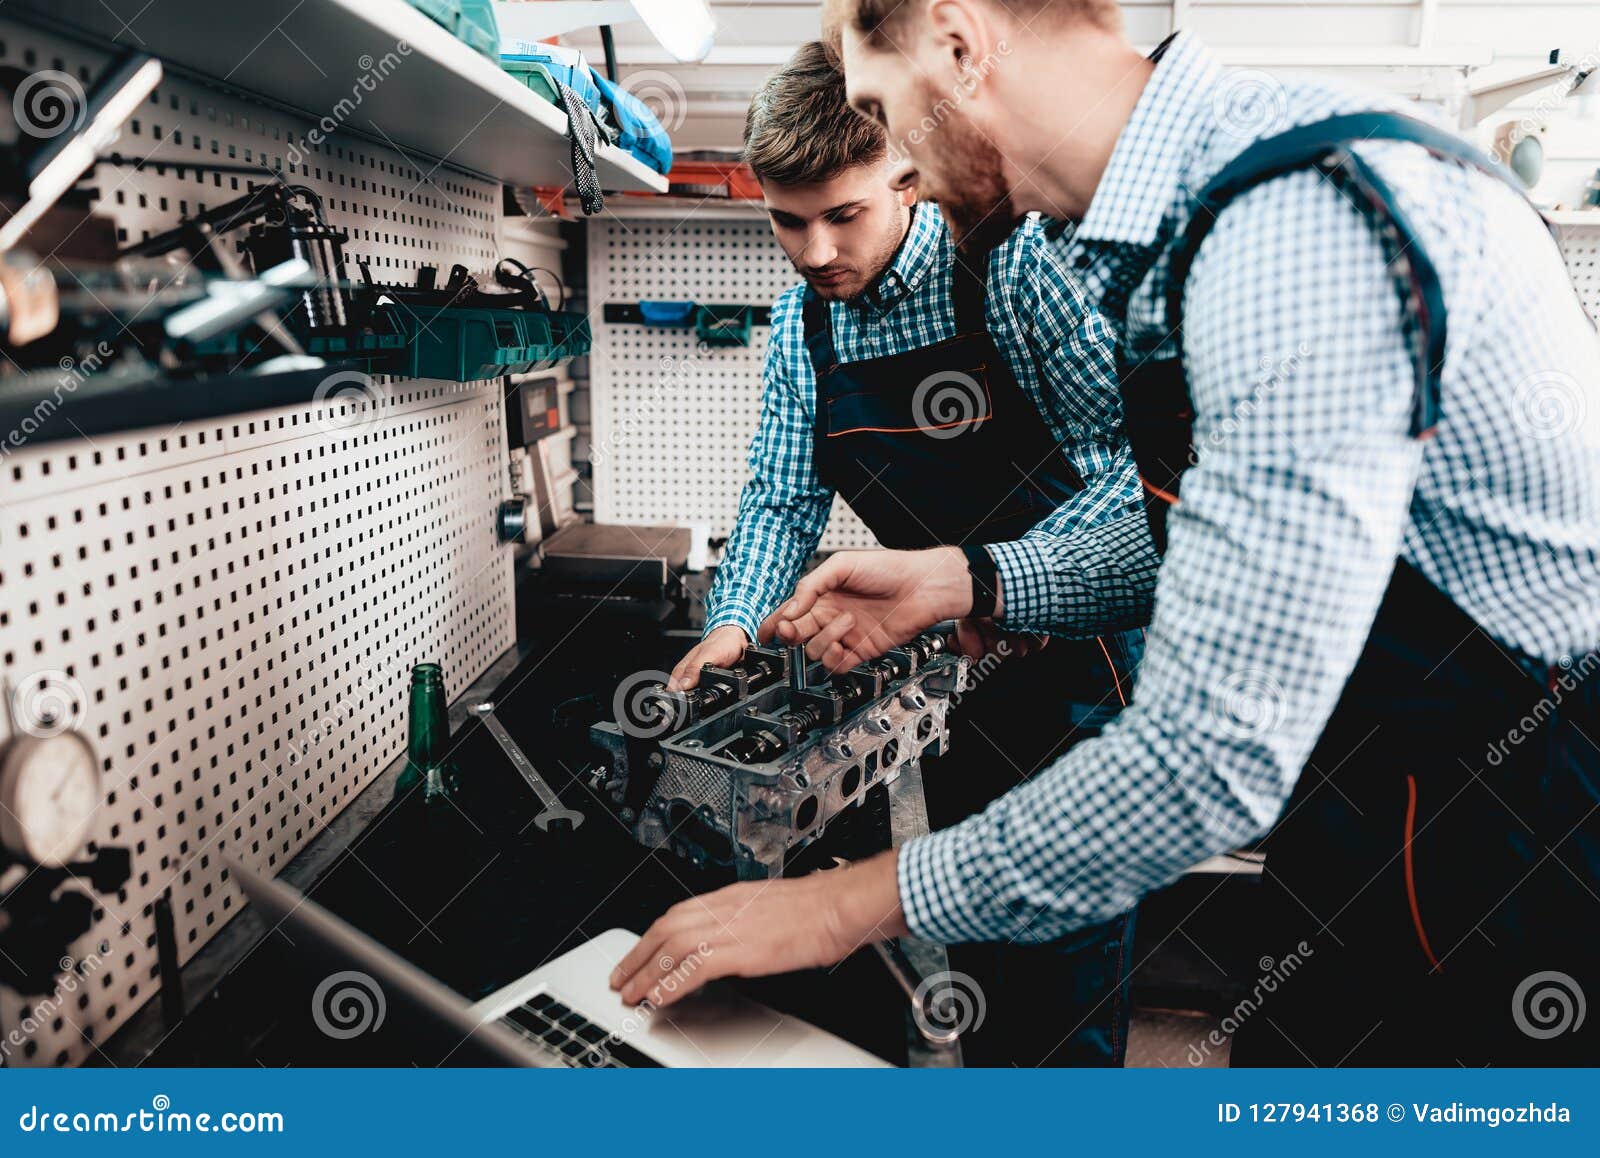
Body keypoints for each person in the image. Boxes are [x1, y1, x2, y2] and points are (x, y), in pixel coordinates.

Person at [612, 2, 1600, 1065]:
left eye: (875, 104)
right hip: (1366, 789)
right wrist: (972, 581)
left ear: (955, 44)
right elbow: (1201, 530)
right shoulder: (1199, 216)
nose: (900, 161)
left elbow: (1206, 757)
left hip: (1500, 830)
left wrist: (834, 908)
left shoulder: (1291, 228)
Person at [663, 41, 1145, 1065]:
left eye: (844, 215)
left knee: (1061, 987)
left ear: (903, 177)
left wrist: (981, 585)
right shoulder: (810, 324)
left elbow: (1130, 480)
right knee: (971, 952)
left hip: (1085, 679)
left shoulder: (1011, 269)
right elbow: (782, 494)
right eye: (786, 221)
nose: (813, 252)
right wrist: (735, 625)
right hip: (971, 683)